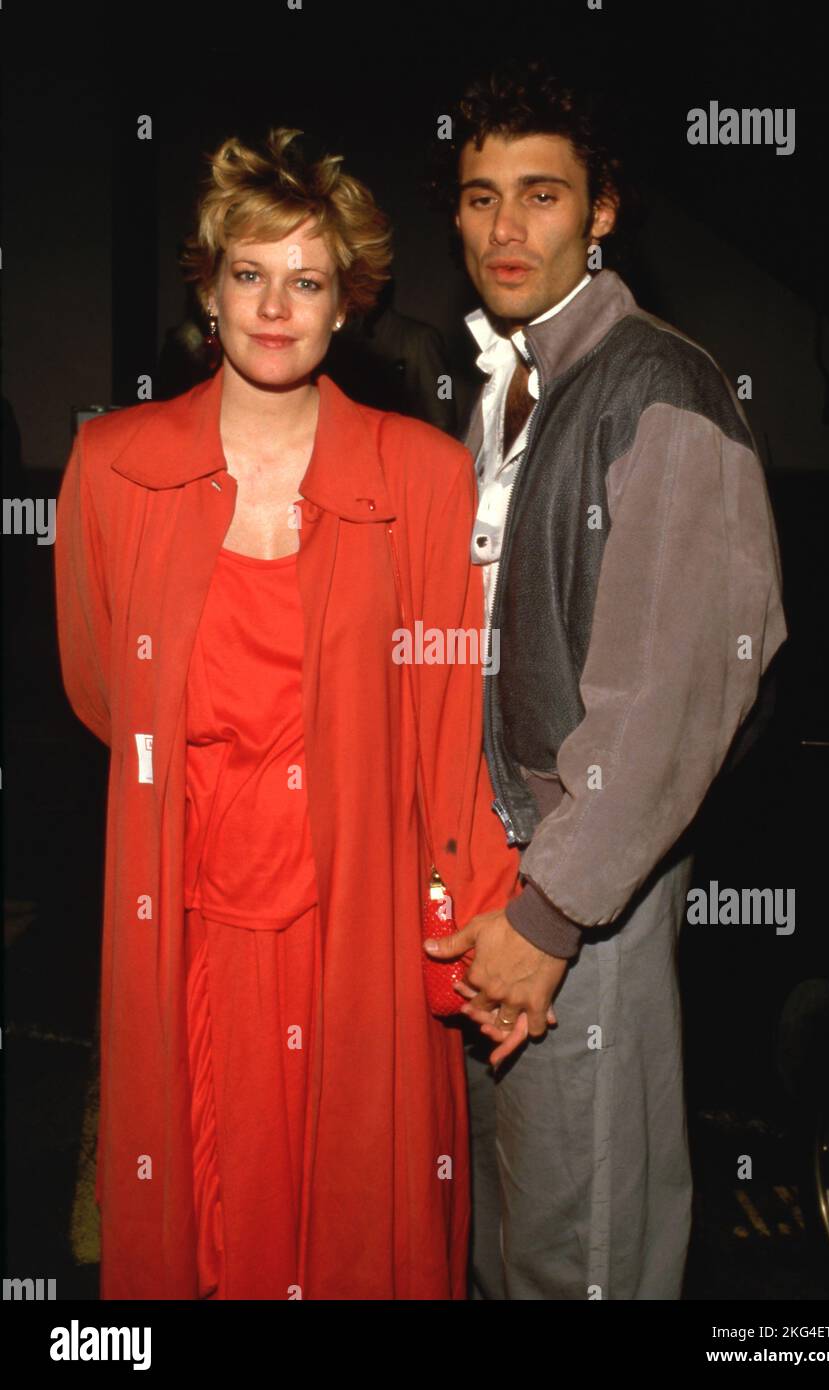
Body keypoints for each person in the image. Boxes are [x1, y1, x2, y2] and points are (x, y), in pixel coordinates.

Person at [54, 126, 520, 1300]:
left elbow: (448, 721)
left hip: (355, 918)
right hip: (189, 910)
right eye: (249, 274)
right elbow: (104, 687)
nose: (275, 306)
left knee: (357, 1219)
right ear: (207, 289)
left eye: (306, 280)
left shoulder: (421, 476)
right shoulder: (111, 467)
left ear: (347, 303)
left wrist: (487, 927)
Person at [423, 63, 788, 1299]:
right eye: (480, 197)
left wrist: (552, 913)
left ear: (603, 210)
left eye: (540, 195)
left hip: (586, 897)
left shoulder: (657, 385)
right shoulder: (510, 389)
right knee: (512, 1247)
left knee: (589, 1259)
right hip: (504, 875)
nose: (504, 229)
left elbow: (674, 698)